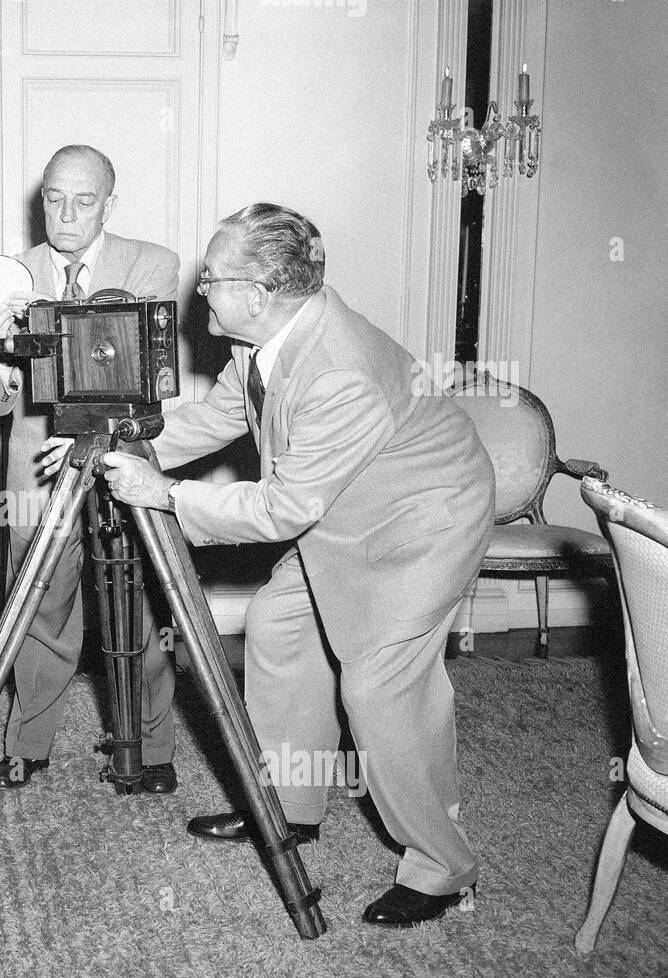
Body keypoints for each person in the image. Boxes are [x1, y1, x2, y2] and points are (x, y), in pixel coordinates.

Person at [98, 203, 494, 927]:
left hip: (422, 521)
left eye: (211, 278)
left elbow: (282, 509)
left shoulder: (338, 371)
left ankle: (444, 869)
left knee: (380, 688)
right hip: (350, 507)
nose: (200, 291)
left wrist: (164, 493)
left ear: (258, 292)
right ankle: (289, 808)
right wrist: (128, 436)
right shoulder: (264, 339)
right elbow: (217, 419)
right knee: (281, 626)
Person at [0, 145, 180, 792]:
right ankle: (29, 741)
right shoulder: (8, 273)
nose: (66, 214)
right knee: (39, 601)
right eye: (55, 198)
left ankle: (152, 747)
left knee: (145, 602)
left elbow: (148, 374)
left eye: (84, 201)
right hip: (38, 460)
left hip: (124, 454)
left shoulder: (152, 264)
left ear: (109, 204)